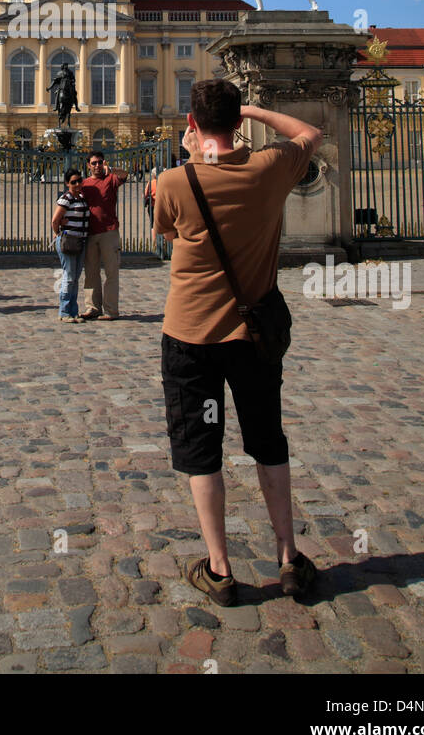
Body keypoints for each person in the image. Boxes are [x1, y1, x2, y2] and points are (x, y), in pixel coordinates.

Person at [153, 79, 322, 608]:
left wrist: (193, 153)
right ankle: (289, 558)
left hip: (190, 338)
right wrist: (257, 111)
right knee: (268, 441)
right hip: (252, 339)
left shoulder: (174, 181)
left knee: (201, 451)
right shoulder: (270, 169)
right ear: (238, 122)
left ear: (191, 124)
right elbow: (311, 133)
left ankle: (220, 569)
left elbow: (166, 234)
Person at [80, 150, 128, 320]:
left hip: (109, 232)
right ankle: (92, 307)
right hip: (90, 233)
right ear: (88, 165)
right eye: (94, 163)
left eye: (100, 162)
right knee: (91, 273)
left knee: (111, 273)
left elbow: (125, 174)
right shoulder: (84, 184)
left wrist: (112, 168)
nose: (97, 166)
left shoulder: (111, 179)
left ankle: (110, 310)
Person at [51, 168, 89, 322]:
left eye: (80, 180)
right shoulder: (66, 198)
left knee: (75, 277)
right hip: (68, 241)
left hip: (80, 241)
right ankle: (65, 311)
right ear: (67, 183)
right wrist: (58, 231)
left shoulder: (81, 197)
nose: (78, 184)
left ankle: (73, 311)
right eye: (74, 182)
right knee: (69, 276)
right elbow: (55, 219)